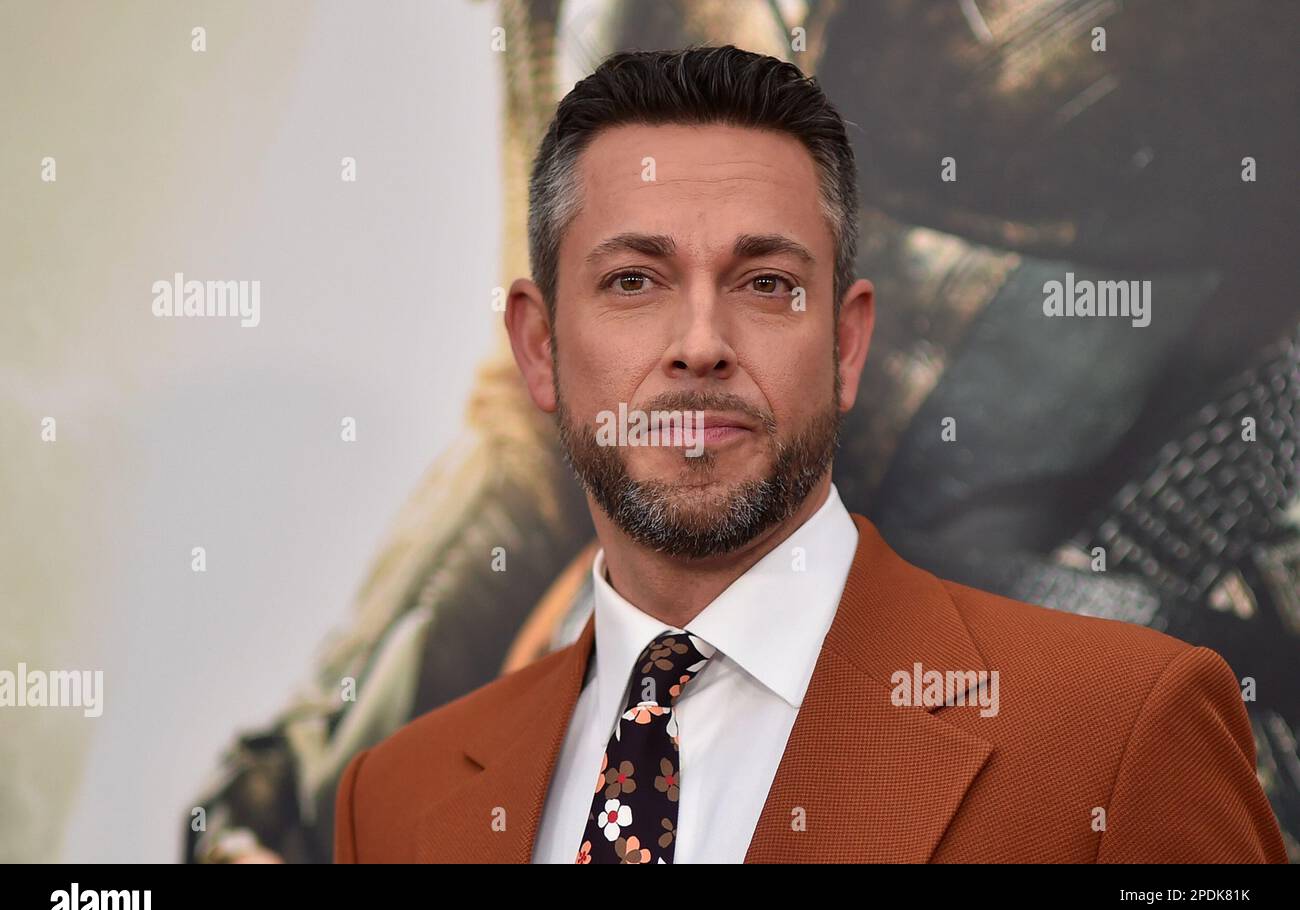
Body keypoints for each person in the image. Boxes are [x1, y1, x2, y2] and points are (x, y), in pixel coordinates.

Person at [333, 45, 1286, 863]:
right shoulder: (396, 801)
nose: (699, 343)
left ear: (847, 343)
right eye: (633, 280)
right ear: (540, 347)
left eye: (765, 282)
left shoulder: (1123, 734)